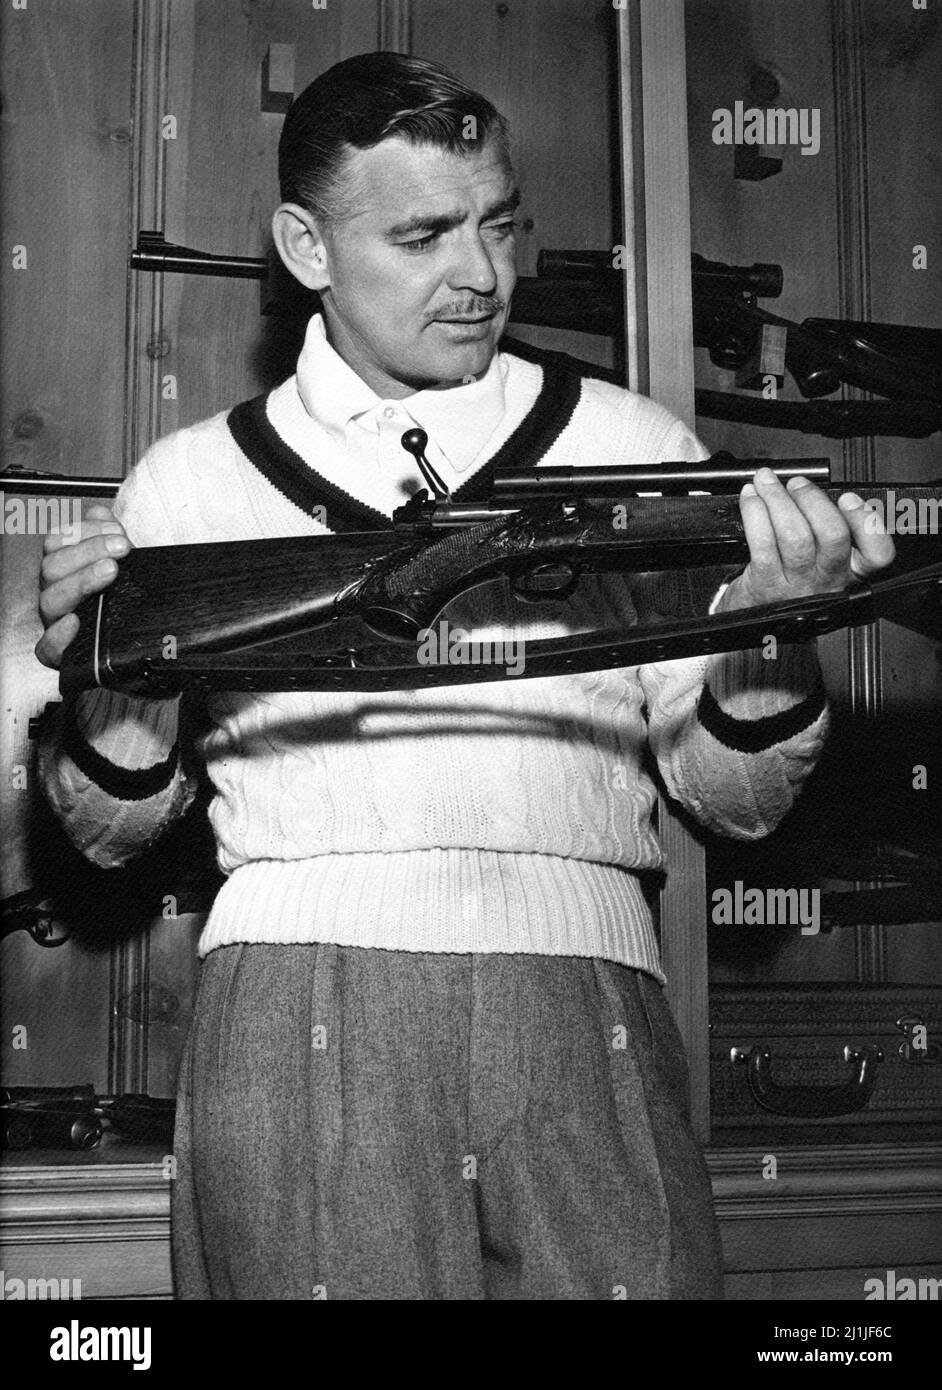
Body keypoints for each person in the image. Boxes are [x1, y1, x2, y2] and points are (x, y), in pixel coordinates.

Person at [35, 52, 894, 1301]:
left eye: (498, 223)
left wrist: (776, 631)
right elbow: (111, 838)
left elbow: (738, 802)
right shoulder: (188, 483)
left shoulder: (634, 447)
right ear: (306, 247)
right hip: (297, 999)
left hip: (589, 990)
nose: (481, 275)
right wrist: (126, 695)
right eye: (424, 233)